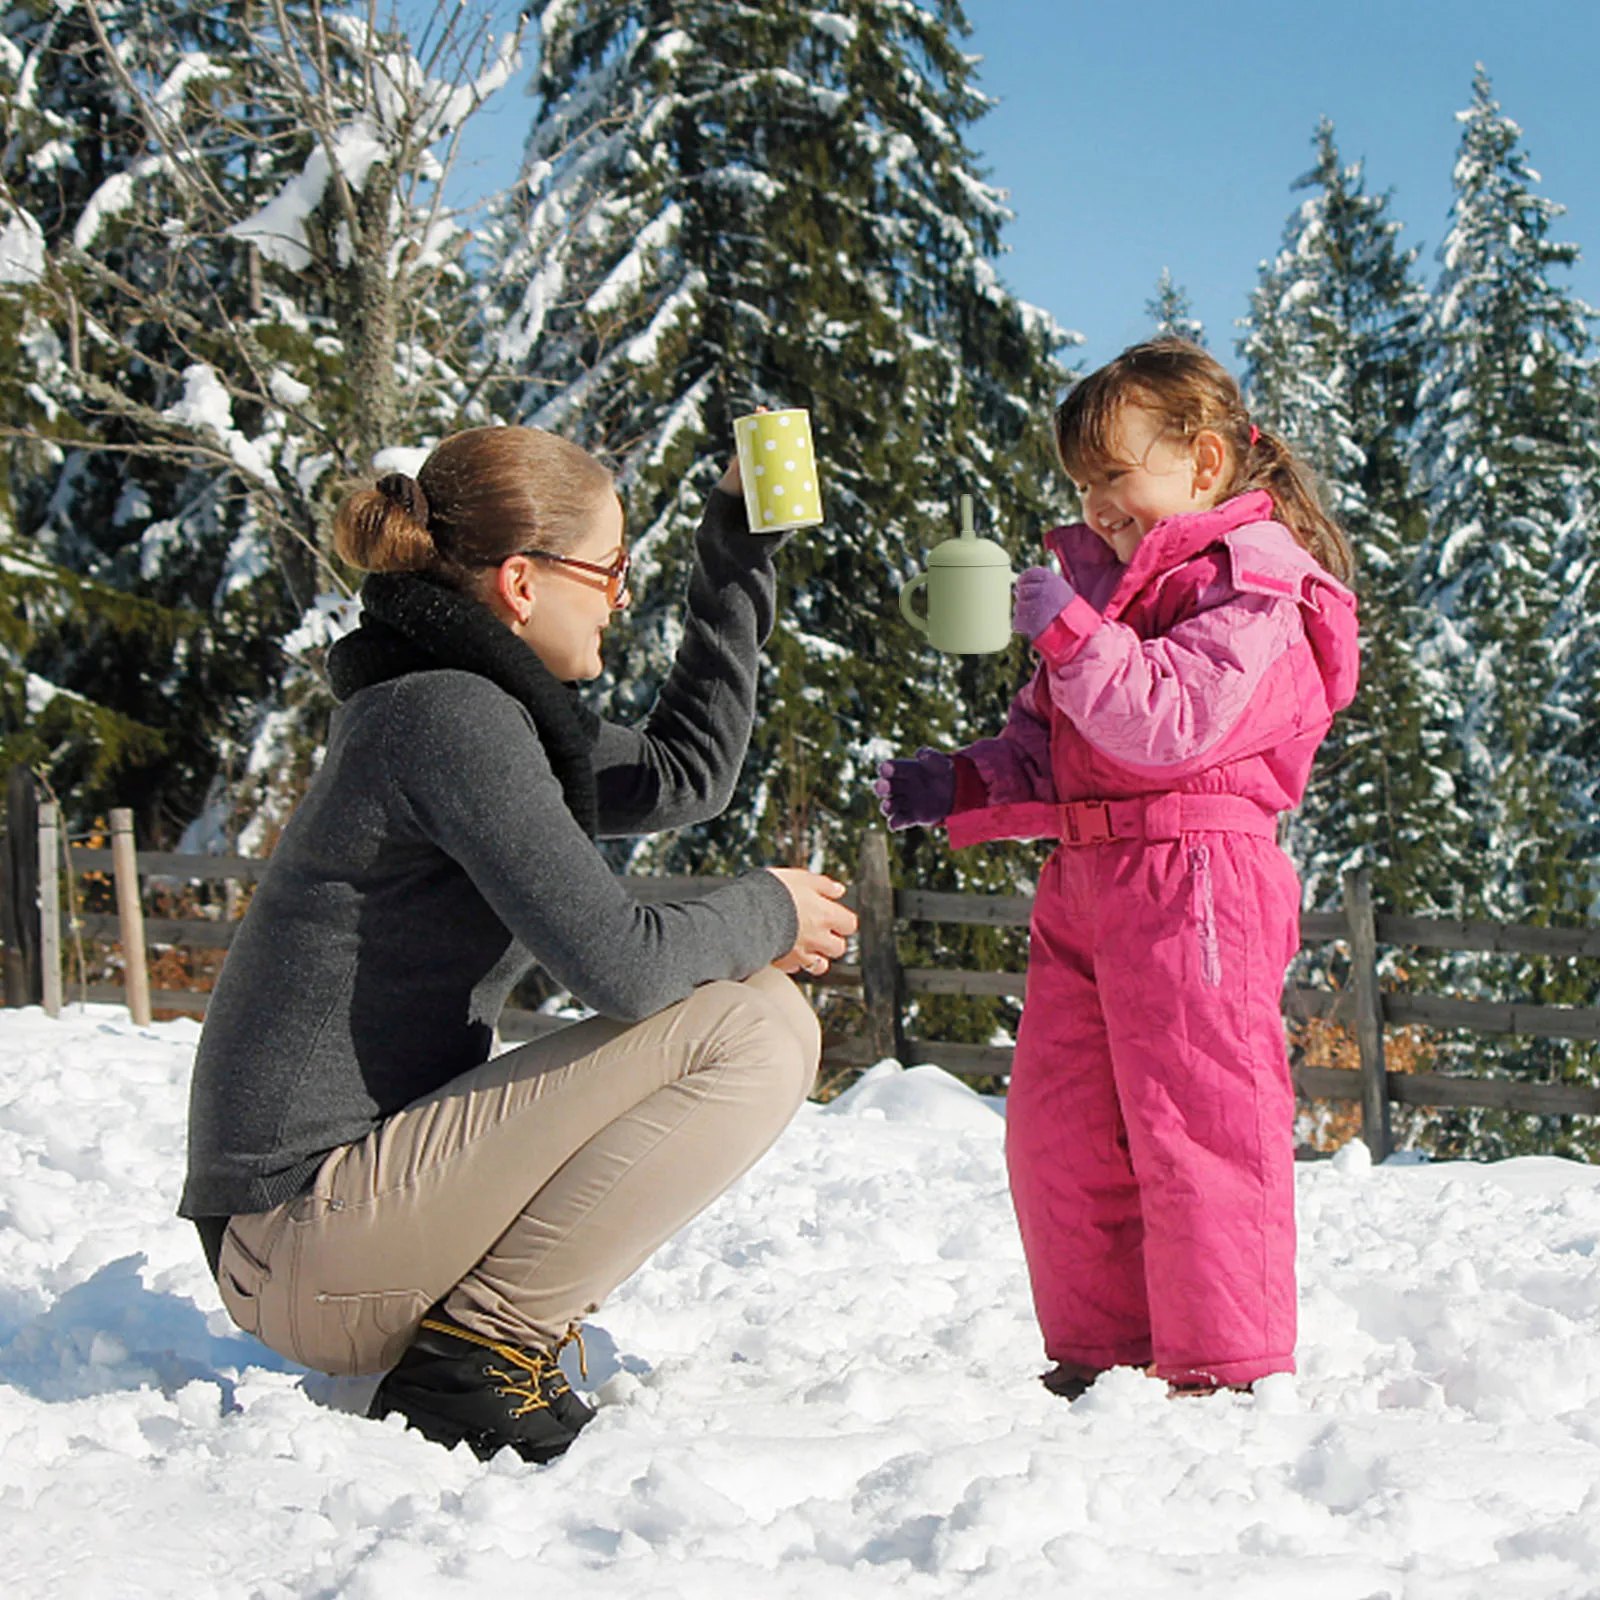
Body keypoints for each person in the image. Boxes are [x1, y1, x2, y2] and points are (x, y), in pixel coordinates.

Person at [180, 424, 856, 1463]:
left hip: (329, 1227)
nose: (620, 598)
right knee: (744, 1027)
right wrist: (766, 906)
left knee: (759, 1010)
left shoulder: (473, 707)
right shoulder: (447, 718)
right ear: (521, 582)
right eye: (610, 570)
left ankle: (476, 1342)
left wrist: (740, 536)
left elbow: (688, 771)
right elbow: (619, 966)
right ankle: (479, 1351)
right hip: (298, 1238)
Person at [874, 339, 1359, 1398]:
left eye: (1113, 473)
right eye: (1081, 483)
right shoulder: (1113, 596)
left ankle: (1223, 1366)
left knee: (1199, 1125)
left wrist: (1072, 631)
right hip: (1088, 884)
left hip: (1197, 880)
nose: (1095, 502)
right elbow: (1053, 748)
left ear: (1204, 461)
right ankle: (1101, 1356)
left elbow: (1170, 722)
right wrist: (958, 783)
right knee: (1063, 1133)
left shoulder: (1257, 585)